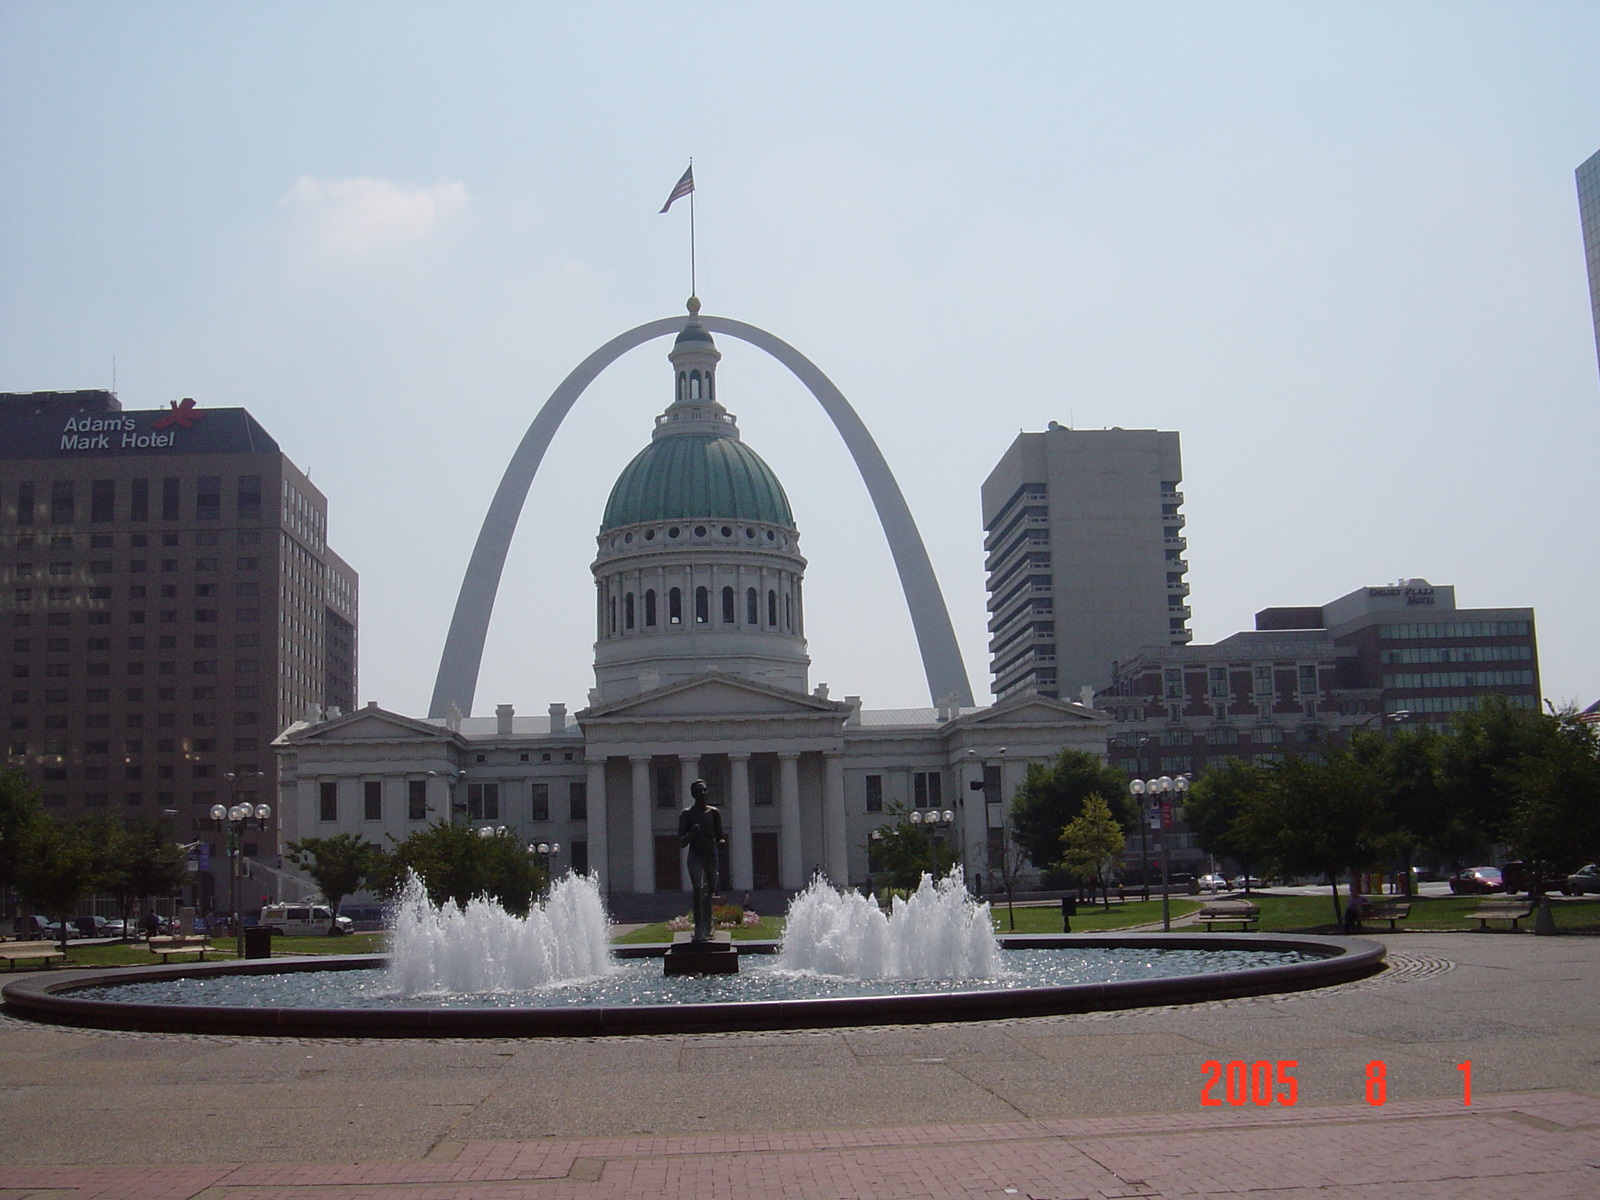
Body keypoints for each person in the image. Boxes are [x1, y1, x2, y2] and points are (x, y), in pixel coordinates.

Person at [678, 779, 726, 942]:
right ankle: (699, 928)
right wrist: (691, 833)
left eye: (704, 790)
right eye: (698, 791)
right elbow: (681, 842)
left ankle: (708, 924)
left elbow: (720, 835)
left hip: (710, 856)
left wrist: (721, 843)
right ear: (693, 794)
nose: (702, 794)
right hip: (695, 856)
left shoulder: (714, 813)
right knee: (698, 889)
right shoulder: (687, 814)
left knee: (710, 890)